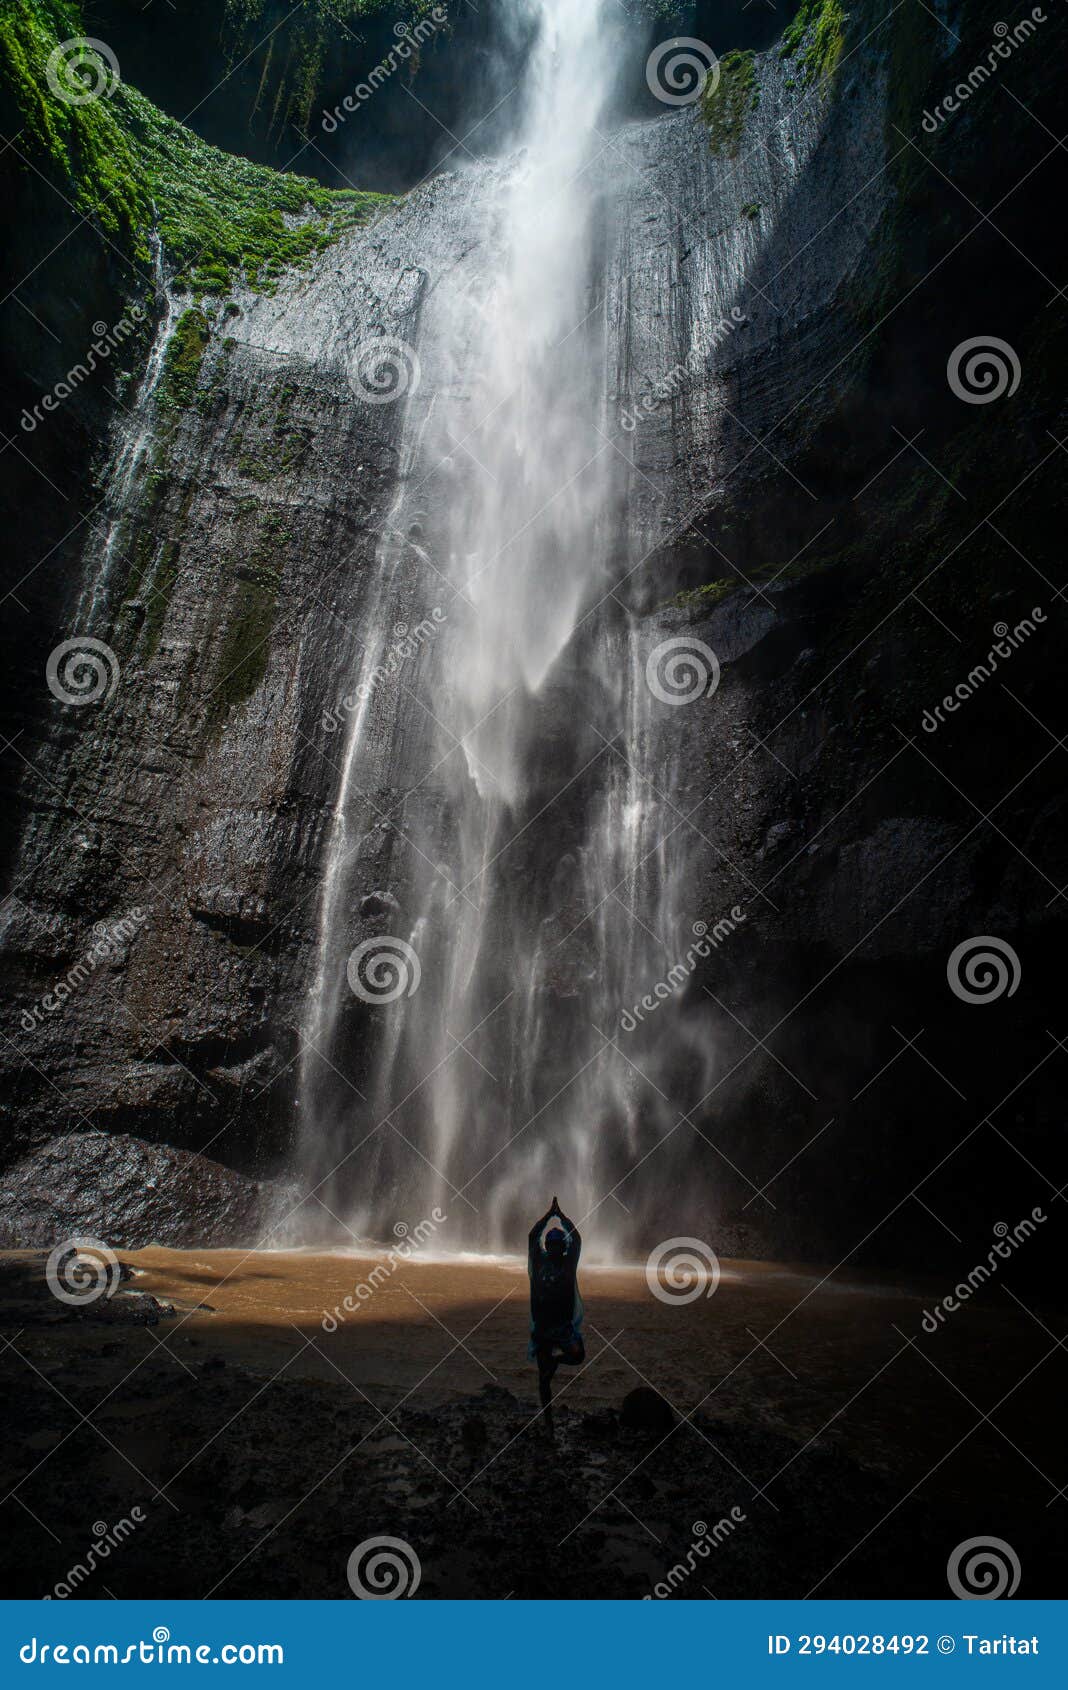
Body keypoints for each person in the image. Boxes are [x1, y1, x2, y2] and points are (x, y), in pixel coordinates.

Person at [527, 1195, 584, 1428]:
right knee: (543, 1379)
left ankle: (556, 1360)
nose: (554, 1249)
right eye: (551, 1245)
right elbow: (532, 1237)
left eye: (558, 1245)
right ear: (547, 1247)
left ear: (563, 1248)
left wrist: (561, 1217)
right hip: (542, 1329)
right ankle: (548, 1419)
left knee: (578, 1356)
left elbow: (577, 1239)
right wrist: (549, 1215)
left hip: (562, 1327)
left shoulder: (569, 1265)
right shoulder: (539, 1263)